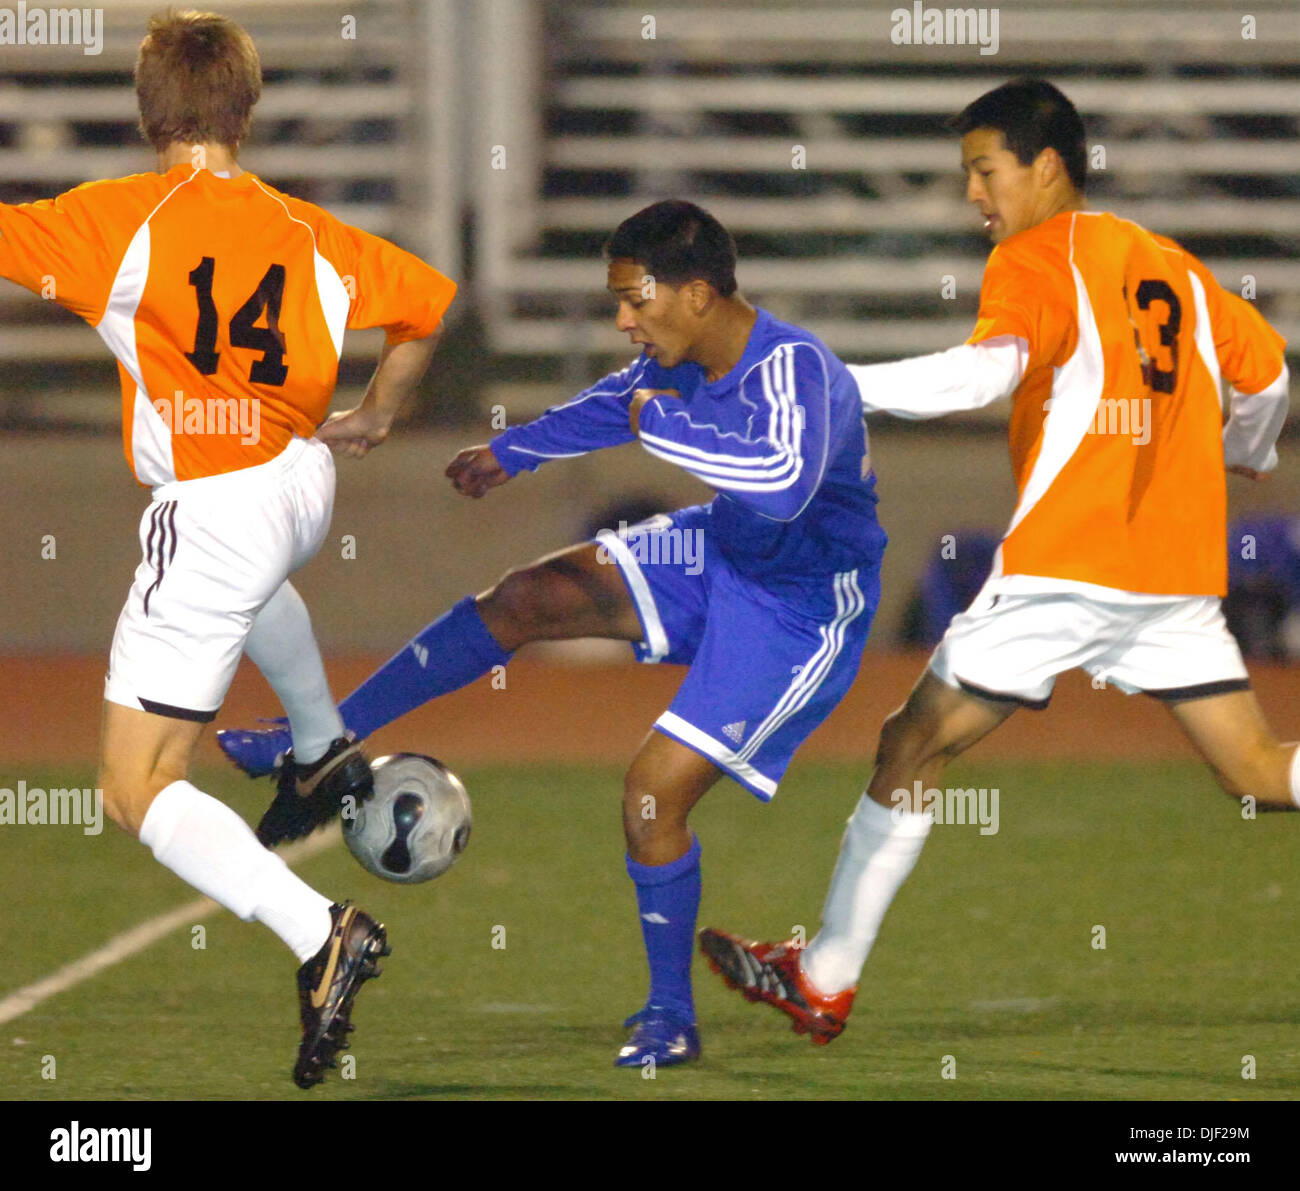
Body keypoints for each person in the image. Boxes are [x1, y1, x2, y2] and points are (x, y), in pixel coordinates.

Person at [217, 199, 889, 1067]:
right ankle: (320, 739)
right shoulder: (672, 359)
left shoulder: (800, 370)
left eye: (635, 298)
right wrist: (515, 452)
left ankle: (670, 1016)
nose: (623, 317)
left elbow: (781, 482)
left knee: (651, 795)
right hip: (721, 550)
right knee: (528, 596)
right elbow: (617, 401)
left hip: (802, 608)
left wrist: (657, 419)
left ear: (695, 294)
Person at [699, 78, 1294, 1043]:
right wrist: (1247, 449)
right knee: (1261, 772)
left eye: (984, 169)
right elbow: (1266, 373)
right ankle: (819, 973)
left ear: (1045, 165)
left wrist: (831, 386)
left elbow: (985, 371)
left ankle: (823, 977)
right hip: (1174, 575)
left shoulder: (1034, 254)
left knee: (911, 742)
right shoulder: (1172, 264)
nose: (973, 193)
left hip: (1068, 563)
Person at [0, 11, 457, 1087]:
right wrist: (382, 412)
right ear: (246, 113)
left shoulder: (114, 220)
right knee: (258, 589)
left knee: (134, 785)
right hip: (302, 481)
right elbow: (429, 307)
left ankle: (319, 934)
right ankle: (321, 745)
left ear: (147, 113)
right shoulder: (308, 230)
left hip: (211, 508)